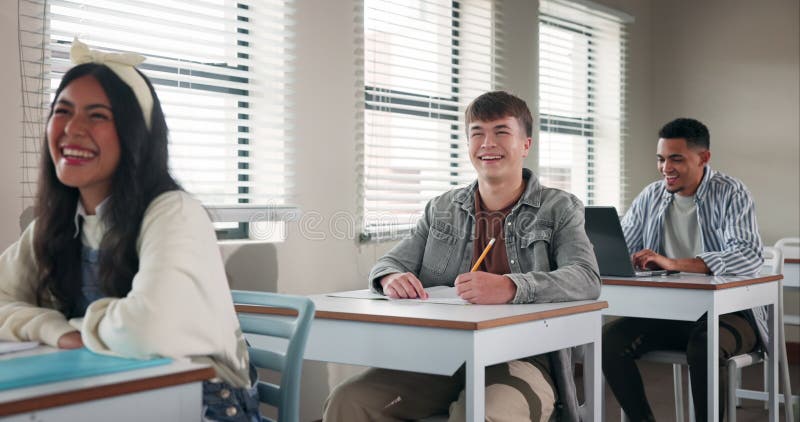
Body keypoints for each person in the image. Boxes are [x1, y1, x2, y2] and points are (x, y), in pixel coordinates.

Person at [0, 39, 260, 422]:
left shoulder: (175, 212)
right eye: (62, 111)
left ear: (134, 134)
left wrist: (76, 328)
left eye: (97, 115)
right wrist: (53, 329)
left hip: (203, 401)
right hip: (101, 391)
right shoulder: (53, 224)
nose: (72, 128)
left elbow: (149, 329)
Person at [323, 91, 601, 422]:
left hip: (524, 360)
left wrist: (511, 288)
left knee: (480, 414)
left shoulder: (560, 207)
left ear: (525, 144)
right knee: (349, 400)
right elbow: (390, 263)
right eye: (477, 133)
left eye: (501, 132)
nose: (487, 143)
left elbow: (586, 278)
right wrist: (390, 278)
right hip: (442, 359)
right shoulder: (441, 208)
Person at [603, 118, 765, 421]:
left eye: (676, 158)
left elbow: (747, 256)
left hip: (731, 315)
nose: (666, 168)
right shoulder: (651, 196)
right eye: (661, 159)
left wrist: (672, 263)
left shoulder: (732, 192)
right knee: (608, 343)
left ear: (703, 158)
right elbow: (621, 247)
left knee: (704, 347)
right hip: (671, 313)